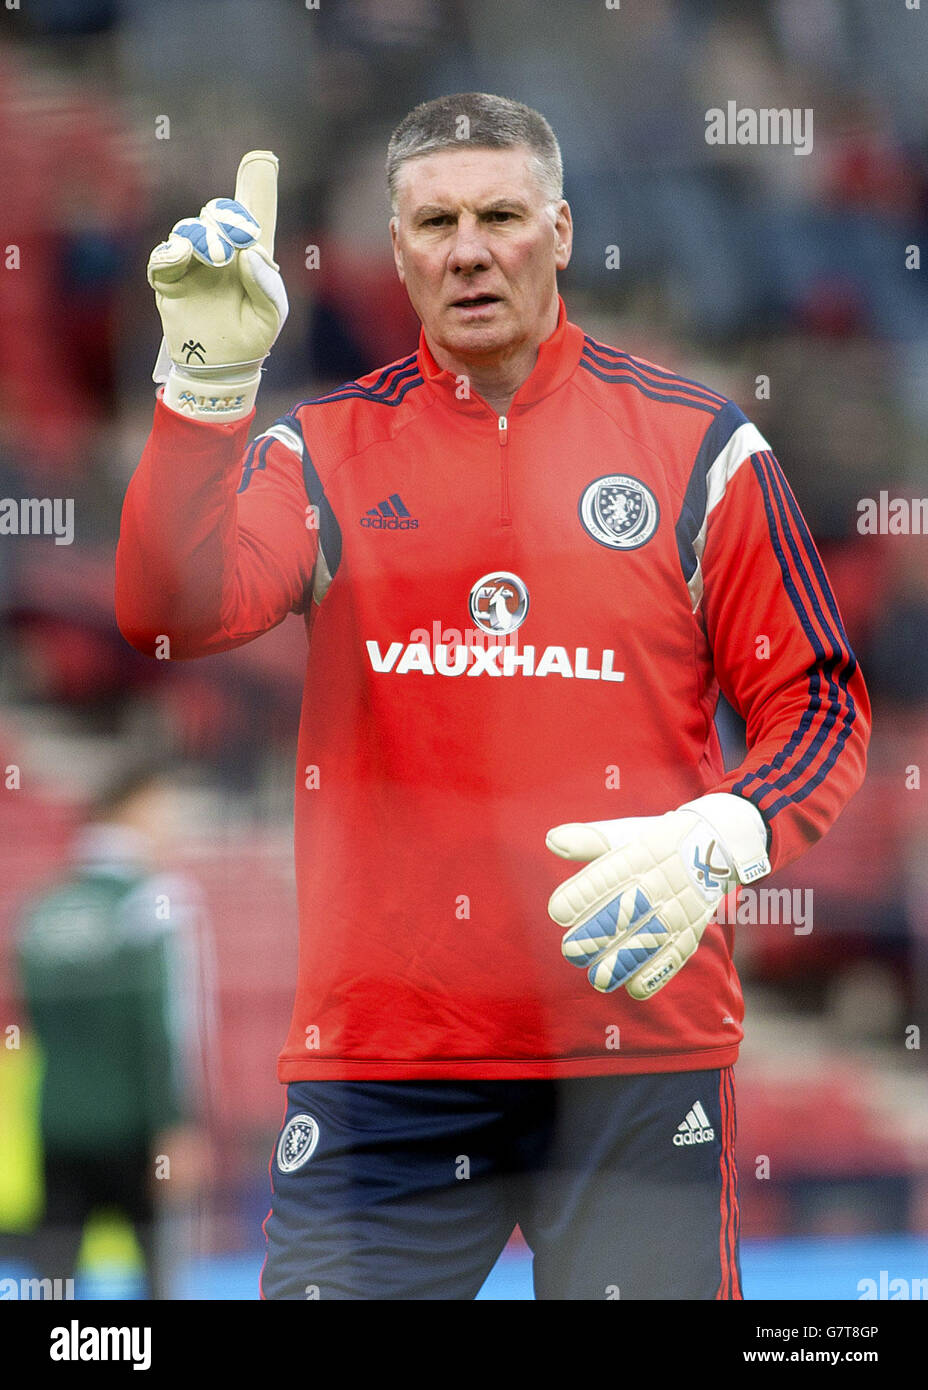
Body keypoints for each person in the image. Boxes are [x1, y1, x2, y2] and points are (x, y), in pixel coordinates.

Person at [115, 93, 870, 1300]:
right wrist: (205, 386)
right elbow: (169, 611)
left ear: (560, 231)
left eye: (501, 216)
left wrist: (730, 830)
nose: (468, 249)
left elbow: (817, 703)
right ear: (397, 249)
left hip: (634, 1054)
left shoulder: (699, 447)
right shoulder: (322, 452)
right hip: (385, 1071)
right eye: (436, 223)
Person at [15, 766, 213, 1300]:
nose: (173, 826)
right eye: (164, 811)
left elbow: (35, 1019)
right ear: (133, 811)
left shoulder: (42, 908)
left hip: (57, 1122)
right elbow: (165, 1023)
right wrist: (176, 1123)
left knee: (54, 1284)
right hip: (139, 1129)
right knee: (159, 1281)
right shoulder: (155, 901)